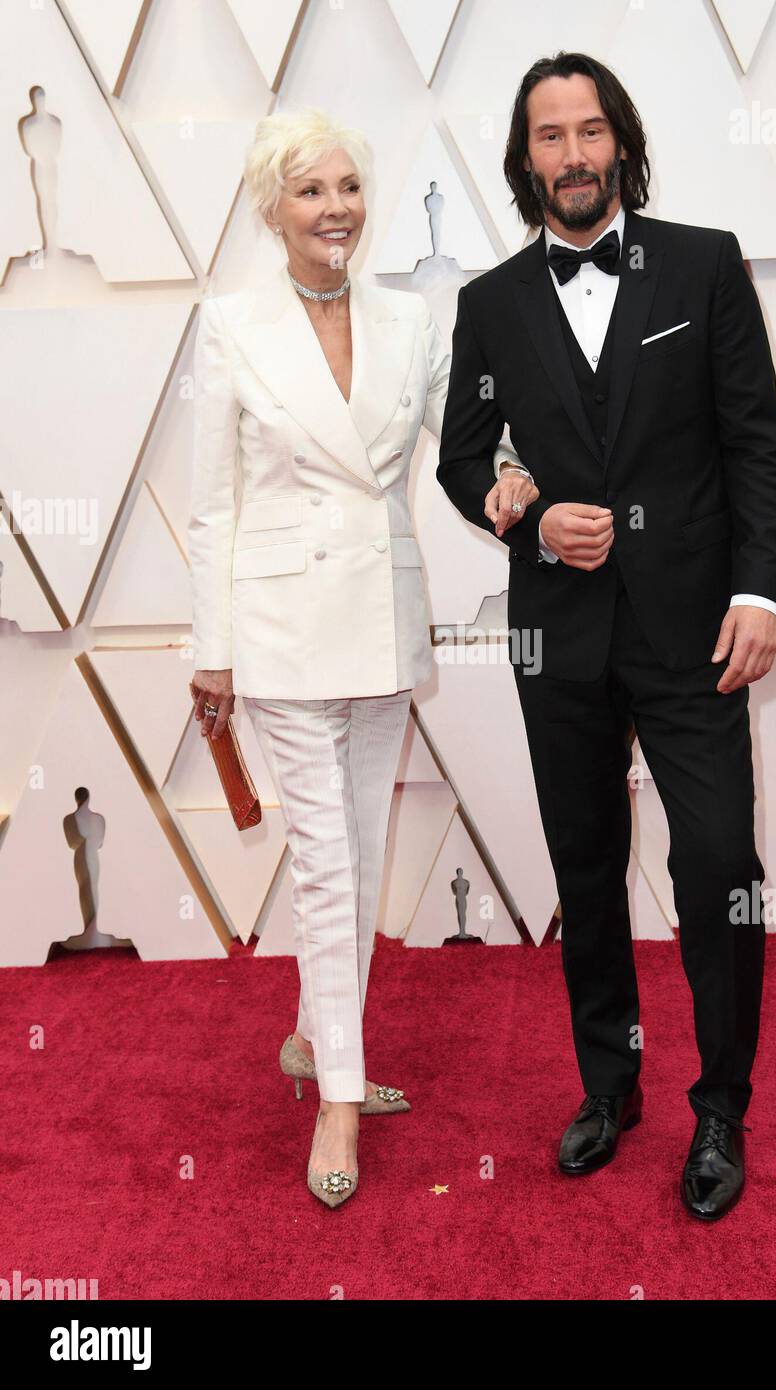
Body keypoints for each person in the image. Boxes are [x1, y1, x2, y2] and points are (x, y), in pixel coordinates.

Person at [438, 53, 776, 1221]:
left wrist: (758, 594)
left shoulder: (702, 261)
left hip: (699, 632)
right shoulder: (487, 303)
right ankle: (609, 1084)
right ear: (523, 158)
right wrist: (534, 520)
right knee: (585, 873)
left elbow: (753, 442)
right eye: (550, 137)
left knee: (718, 863)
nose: (573, 155)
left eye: (590, 132)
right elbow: (461, 459)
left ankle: (723, 1105)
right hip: (561, 640)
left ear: (620, 144)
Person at [186, 107, 522, 1209]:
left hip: (380, 619)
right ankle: (339, 1089)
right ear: (270, 208)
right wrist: (213, 650)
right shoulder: (231, 325)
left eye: (348, 188)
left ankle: (309, 1035)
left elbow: (455, 442)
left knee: (364, 852)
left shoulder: (406, 320)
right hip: (279, 629)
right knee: (325, 862)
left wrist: (510, 478)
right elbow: (212, 506)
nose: (336, 210)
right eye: (310, 192)